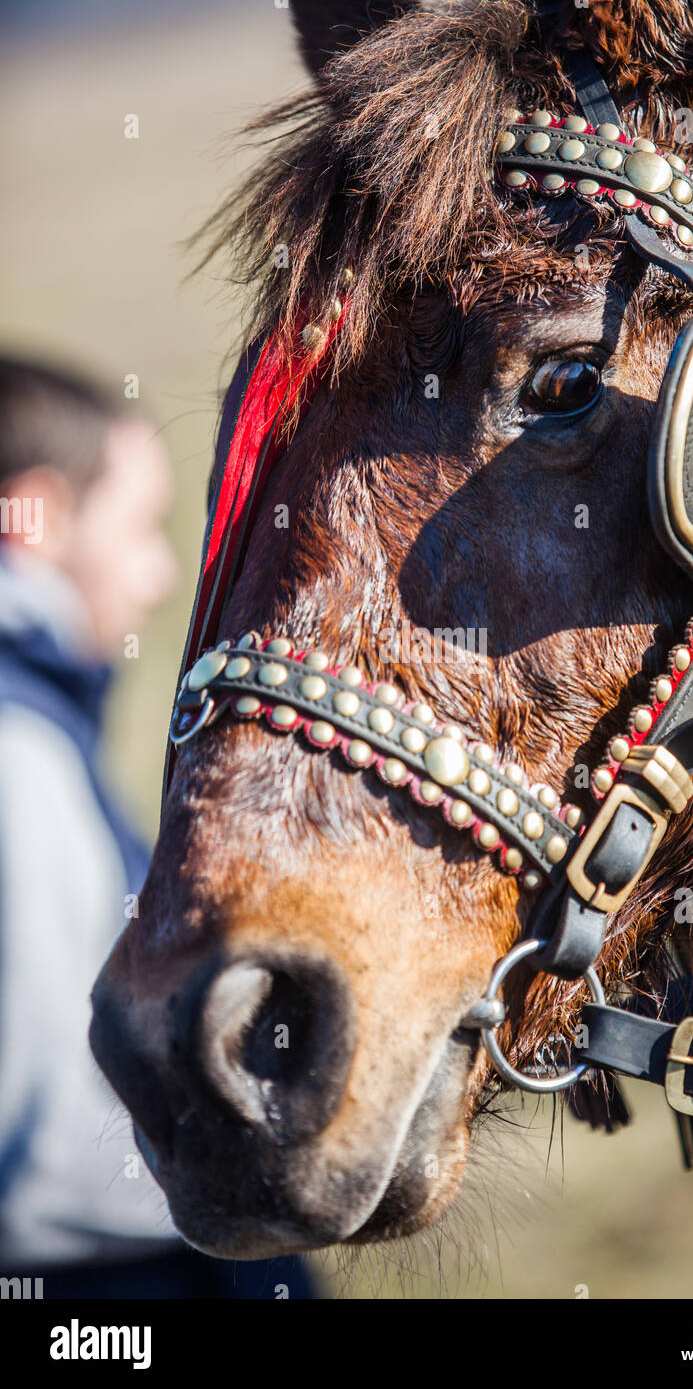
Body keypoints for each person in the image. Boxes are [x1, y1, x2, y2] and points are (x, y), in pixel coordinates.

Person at [0, 357, 315, 1298]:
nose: (159, 575)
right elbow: (52, 1114)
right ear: (42, 515)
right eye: (138, 529)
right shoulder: (17, 749)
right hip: (118, 1278)